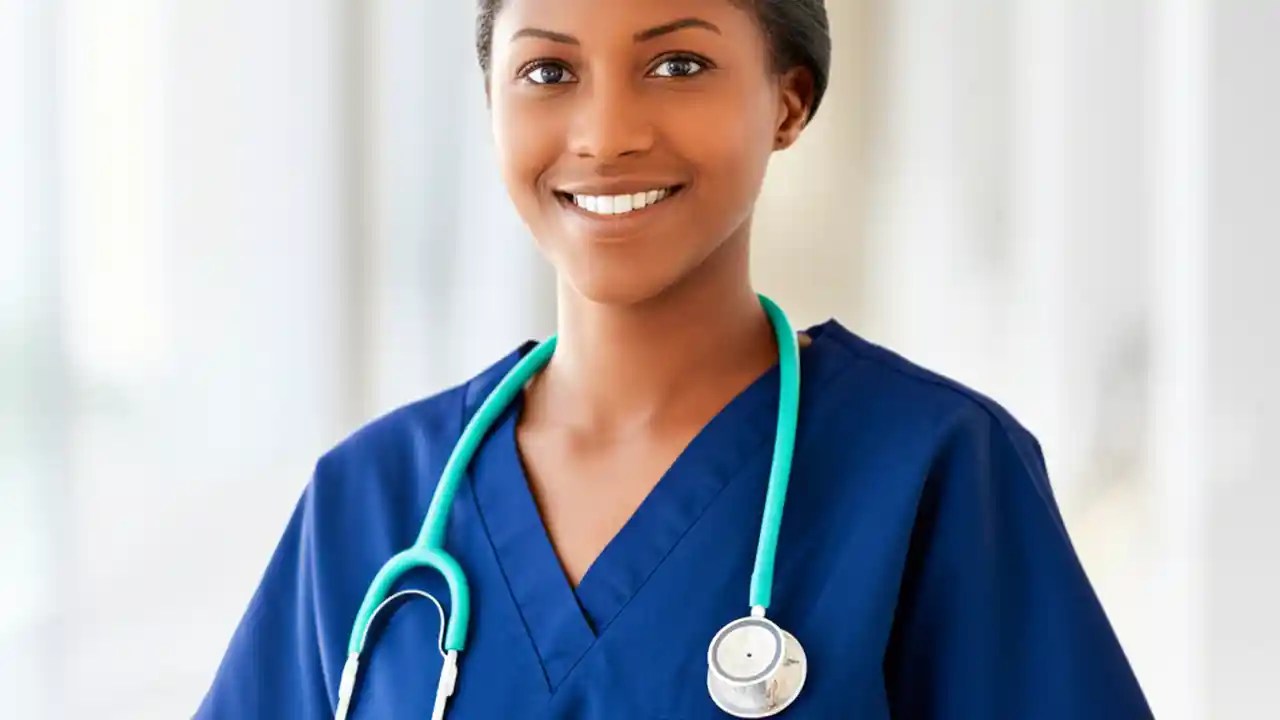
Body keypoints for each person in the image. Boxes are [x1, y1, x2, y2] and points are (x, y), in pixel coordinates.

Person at [197, 1, 1153, 717]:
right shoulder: (370, 501)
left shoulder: (933, 472)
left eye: (678, 63)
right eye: (547, 73)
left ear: (787, 102)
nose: (608, 135)